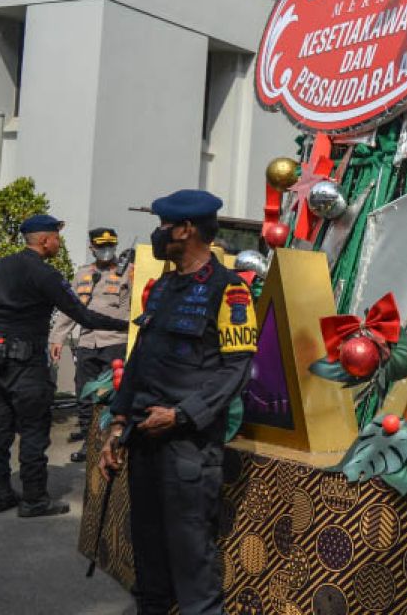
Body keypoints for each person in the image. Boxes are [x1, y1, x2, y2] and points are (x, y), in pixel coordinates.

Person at [99, 189, 257, 615]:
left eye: (164, 226)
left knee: (192, 565)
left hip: (189, 449)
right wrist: (118, 421)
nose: (158, 234)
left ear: (186, 230)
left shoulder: (230, 291)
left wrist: (182, 414)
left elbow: (236, 371)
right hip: (144, 441)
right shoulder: (165, 285)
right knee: (148, 560)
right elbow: (140, 358)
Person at [0, 214, 129, 517]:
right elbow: (82, 315)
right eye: (57, 238)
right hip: (26, 364)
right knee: (34, 430)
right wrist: (126, 325)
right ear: (45, 240)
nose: (59, 243)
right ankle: (34, 499)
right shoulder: (46, 274)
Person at [49, 227, 131, 463]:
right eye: (101, 247)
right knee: (84, 393)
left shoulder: (128, 272)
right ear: (92, 248)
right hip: (87, 342)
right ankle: (89, 441)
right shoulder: (83, 274)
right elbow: (70, 308)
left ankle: (111, 441)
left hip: (115, 341)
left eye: (110, 246)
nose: (106, 251)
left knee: (111, 394)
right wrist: (57, 338)